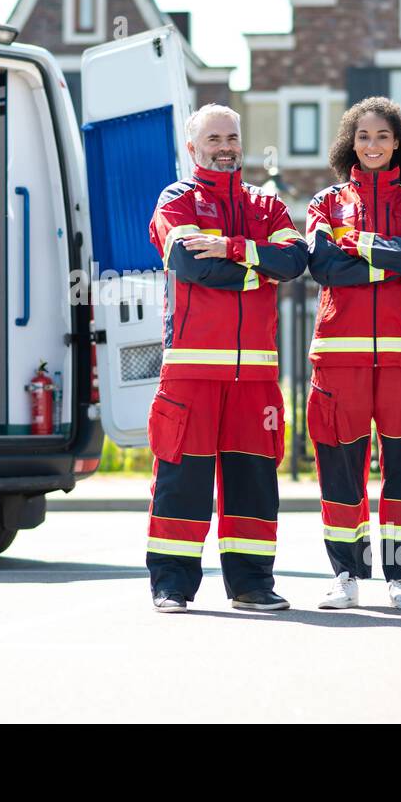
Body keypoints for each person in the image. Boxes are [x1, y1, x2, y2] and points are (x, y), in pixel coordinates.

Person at [145, 104, 307, 613]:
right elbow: (190, 264)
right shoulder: (176, 199)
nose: (225, 146)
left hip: (255, 375)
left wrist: (236, 249)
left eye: (232, 137)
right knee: (181, 480)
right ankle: (171, 584)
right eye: (213, 138)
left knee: (254, 483)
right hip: (192, 370)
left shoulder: (267, 205)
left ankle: (251, 584)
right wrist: (260, 267)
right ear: (192, 148)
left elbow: (295, 259)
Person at [305, 97, 401, 610]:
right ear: (350, 142)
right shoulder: (325, 202)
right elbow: (322, 266)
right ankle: (346, 575)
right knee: (341, 470)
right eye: (363, 136)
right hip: (340, 360)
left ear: (397, 143)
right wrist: (391, 257)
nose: (372, 145)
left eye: (382, 136)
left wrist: (359, 244)